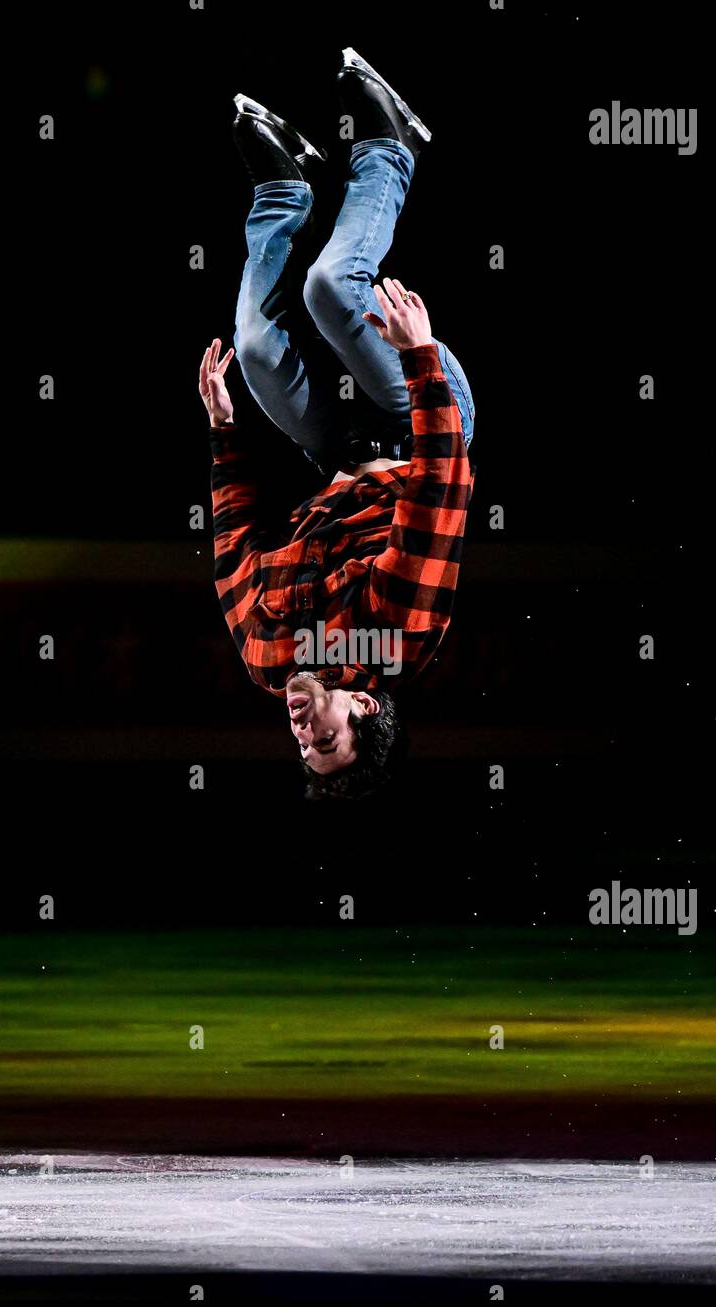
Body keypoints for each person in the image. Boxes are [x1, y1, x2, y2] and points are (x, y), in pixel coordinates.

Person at [200, 49, 476, 799]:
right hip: (424, 424)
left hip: (341, 451)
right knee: (329, 289)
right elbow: (442, 496)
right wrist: (419, 360)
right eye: (326, 738)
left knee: (255, 352)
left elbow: (233, 552)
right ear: (363, 705)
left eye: (301, 746)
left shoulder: (265, 656)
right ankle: (393, 146)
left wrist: (226, 434)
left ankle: (283, 187)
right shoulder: (397, 639)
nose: (301, 729)